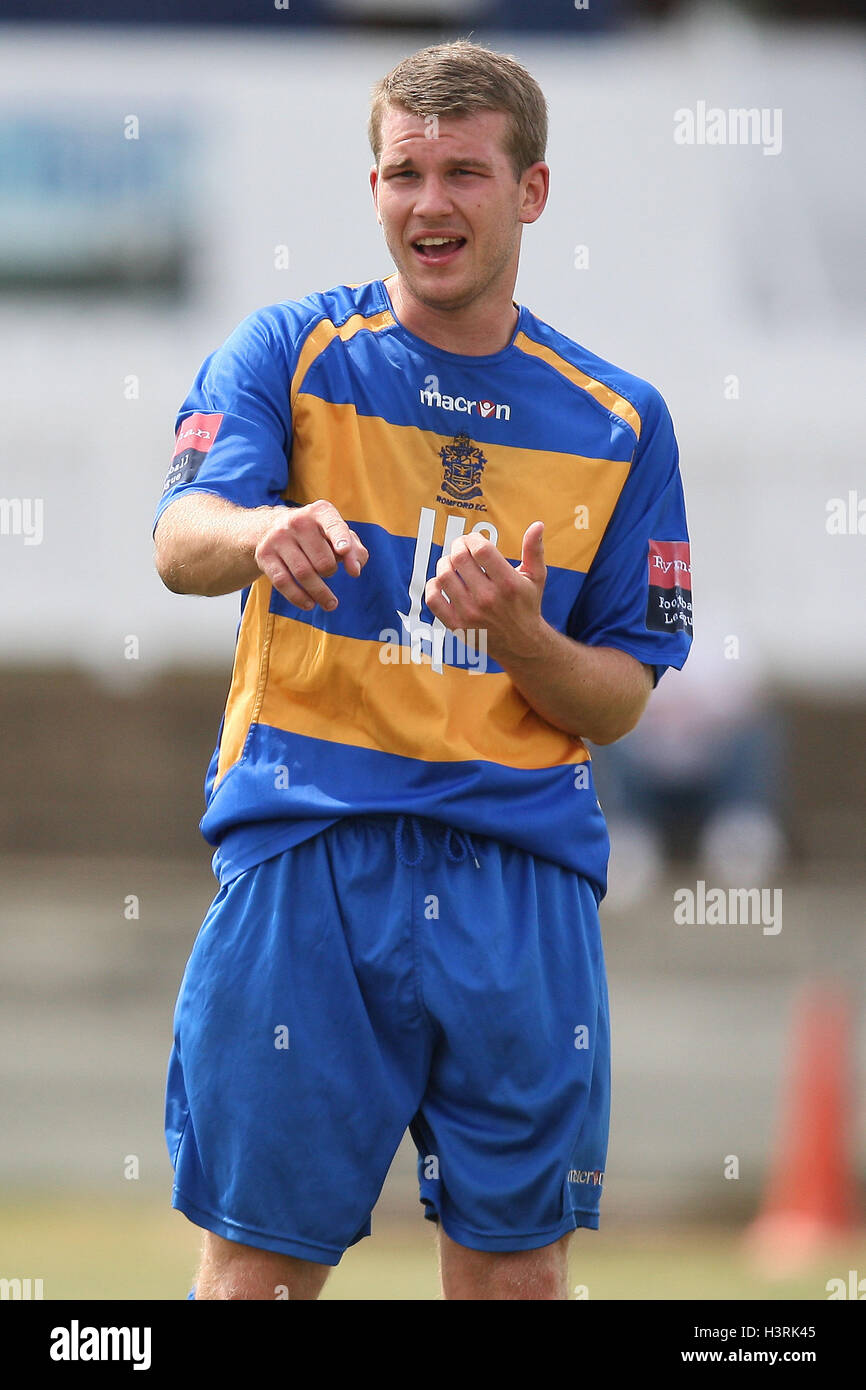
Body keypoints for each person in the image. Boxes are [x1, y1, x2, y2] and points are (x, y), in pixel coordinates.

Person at [153, 38, 692, 1301]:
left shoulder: (620, 420)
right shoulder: (289, 351)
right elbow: (180, 542)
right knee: (253, 1280)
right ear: (376, 186)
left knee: (514, 1284)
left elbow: (619, 695)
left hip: (517, 883)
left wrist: (522, 639)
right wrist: (258, 530)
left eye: (463, 172)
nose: (429, 204)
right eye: (403, 174)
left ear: (530, 192)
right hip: (308, 861)